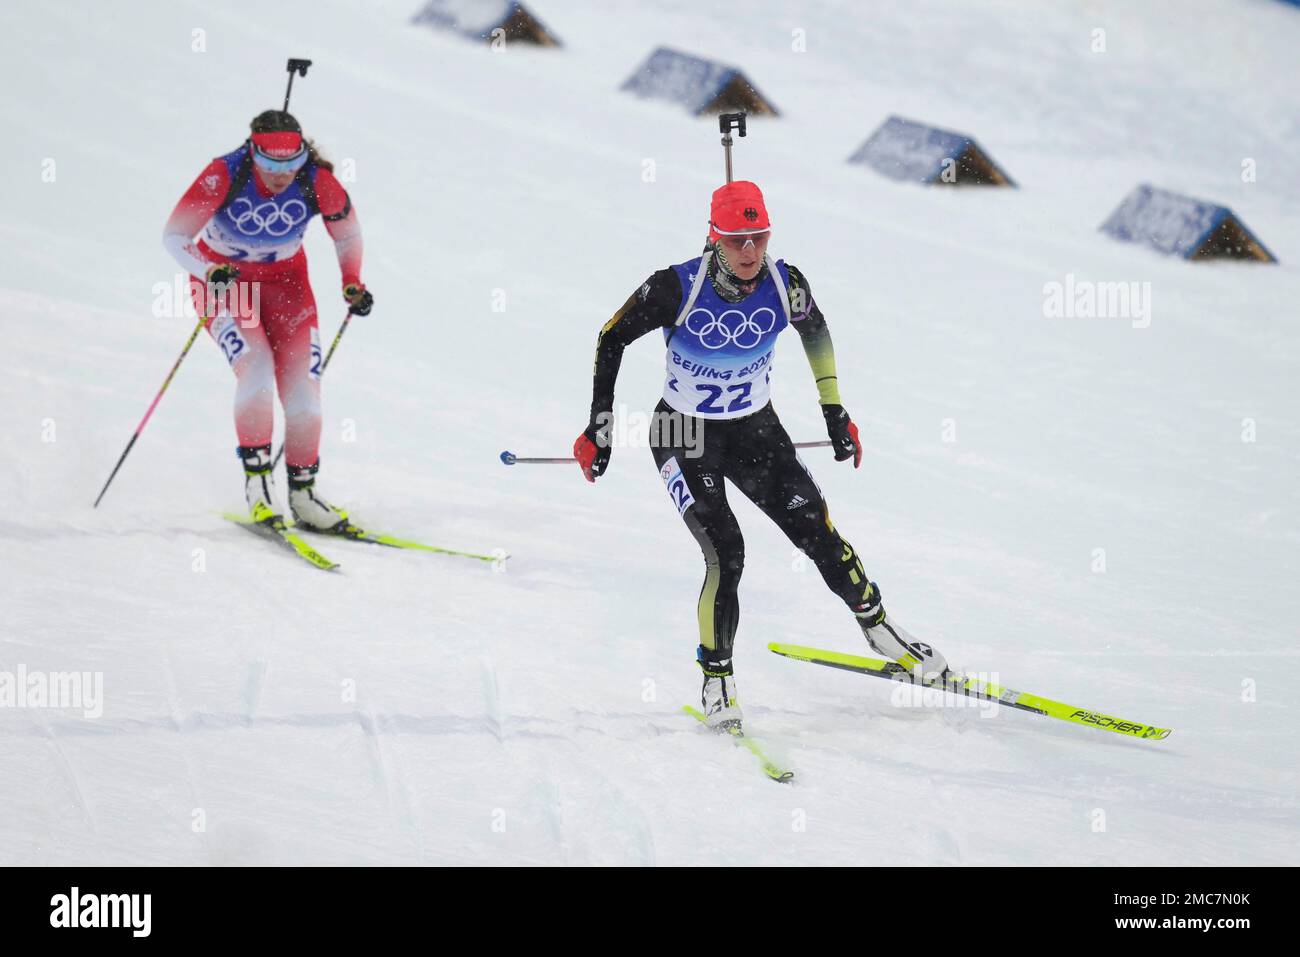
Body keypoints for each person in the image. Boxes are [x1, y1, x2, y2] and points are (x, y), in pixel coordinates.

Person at [574, 180, 951, 731]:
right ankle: (717, 679)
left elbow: (815, 333)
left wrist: (835, 413)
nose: (749, 251)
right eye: (735, 240)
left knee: (816, 530)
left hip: (754, 431)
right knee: (727, 551)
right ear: (713, 238)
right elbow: (611, 338)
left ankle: (883, 632)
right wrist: (599, 428)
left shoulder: (785, 283)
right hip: (685, 435)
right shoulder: (674, 286)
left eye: (758, 236)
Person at [162, 109, 372, 529]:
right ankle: (258, 486)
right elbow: (175, 235)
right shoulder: (224, 173)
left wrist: (352, 281)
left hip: (288, 288)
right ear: (253, 153)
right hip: (228, 285)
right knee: (256, 371)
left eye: (290, 164)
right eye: (271, 164)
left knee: (305, 395)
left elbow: (347, 233)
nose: (281, 174)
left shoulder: (317, 181)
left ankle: (304, 495)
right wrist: (207, 271)